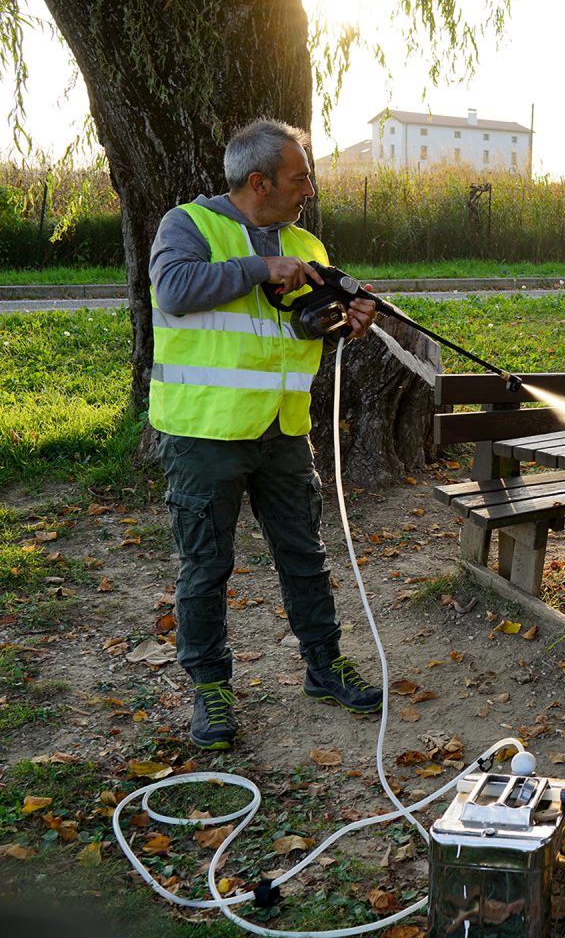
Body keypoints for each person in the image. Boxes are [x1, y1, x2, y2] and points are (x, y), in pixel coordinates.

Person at [149, 118, 383, 750]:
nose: (310, 187)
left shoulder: (307, 242)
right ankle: (211, 690)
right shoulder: (188, 226)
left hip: (283, 431)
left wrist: (342, 321)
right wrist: (260, 266)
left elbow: (304, 327)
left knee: (304, 555)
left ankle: (324, 665)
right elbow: (172, 291)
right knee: (206, 565)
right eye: (300, 176)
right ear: (259, 182)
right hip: (204, 434)